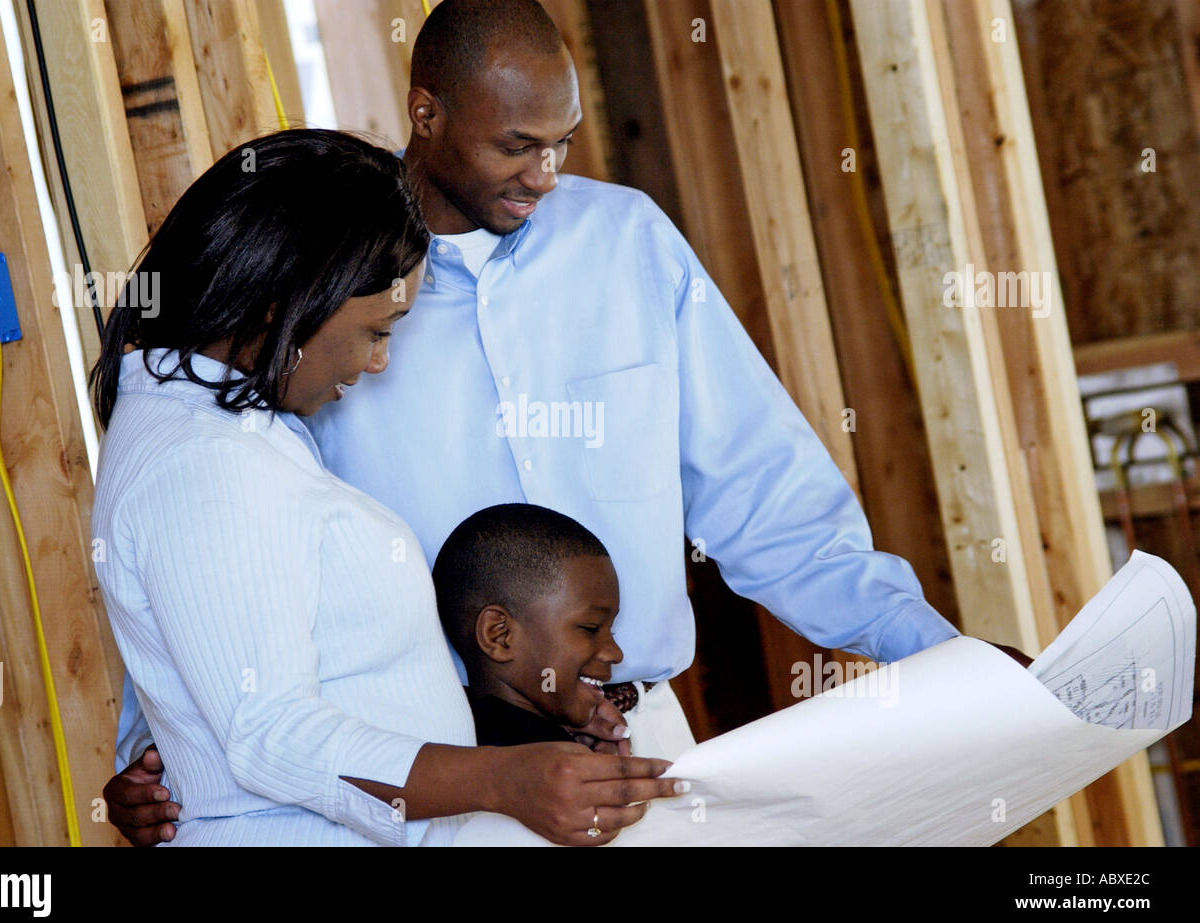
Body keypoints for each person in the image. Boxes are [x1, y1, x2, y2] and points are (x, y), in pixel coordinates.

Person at [106, 0, 1031, 844]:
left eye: (564, 143)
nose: (546, 174)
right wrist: (157, 746)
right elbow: (219, 556)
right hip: (439, 775)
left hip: (631, 736)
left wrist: (944, 658)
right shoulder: (323, 302)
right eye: (517, 145)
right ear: (427, 113)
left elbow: (769, 500)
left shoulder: (629, 245)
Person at [90, 128, 682, 846]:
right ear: (287, 302)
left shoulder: (226, 428)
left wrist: (517, 728)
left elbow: (330, 677)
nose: (378, 362)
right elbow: (274, 736)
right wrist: (502, 781)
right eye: (377, 329)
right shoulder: (205, 464)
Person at [432, 503, 624, 747]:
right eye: (591, 628)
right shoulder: (556, 772)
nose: (616, 653)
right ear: (499, 635)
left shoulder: (454, 743)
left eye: (612, 630)